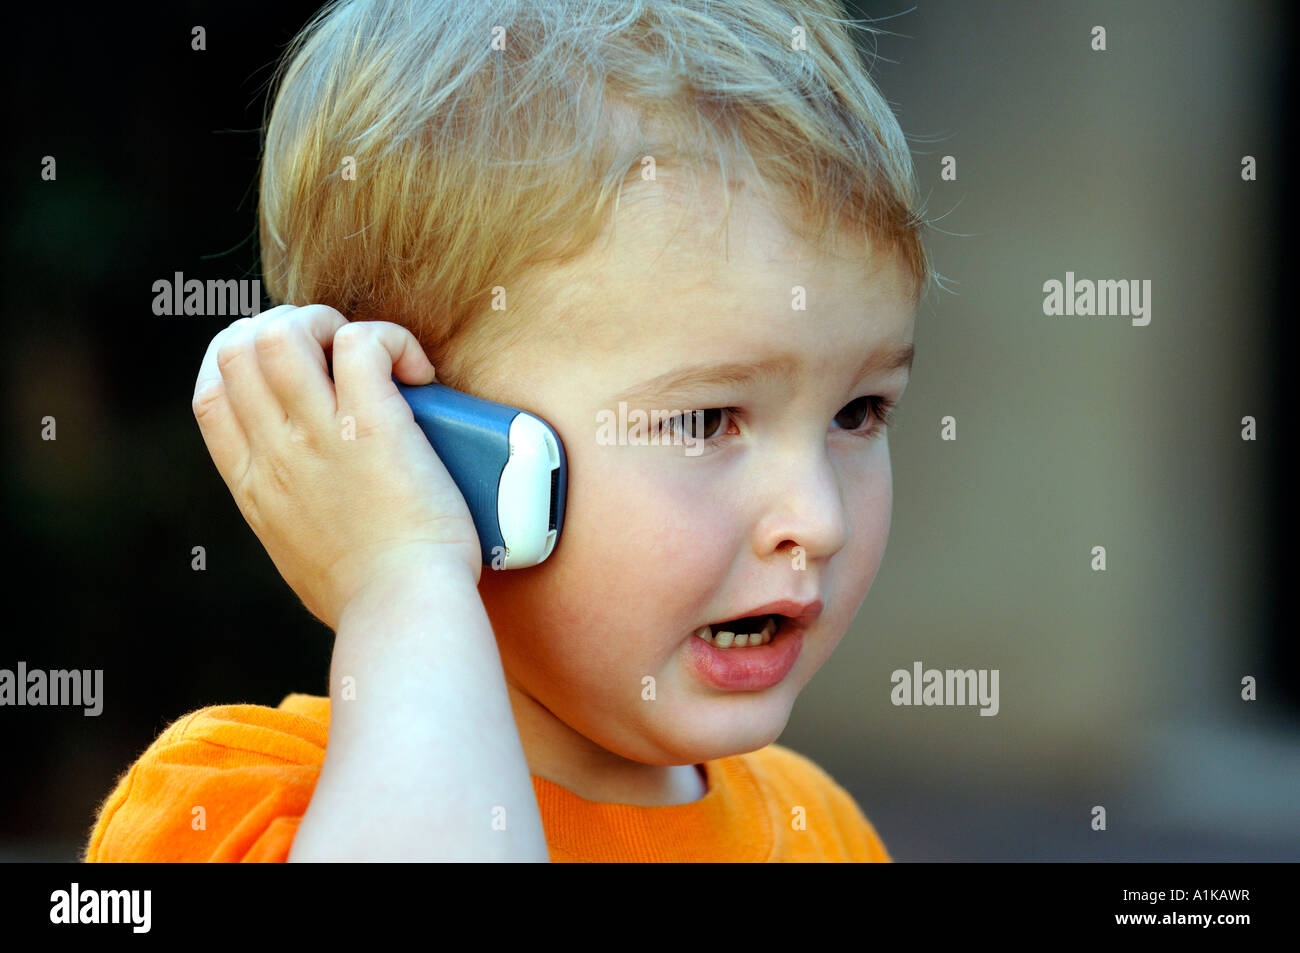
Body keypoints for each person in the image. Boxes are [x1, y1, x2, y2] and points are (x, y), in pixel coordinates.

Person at [85, 0, 933, 862]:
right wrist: (403, 575)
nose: (818, 520)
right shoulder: (230, 807)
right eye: (708, 419)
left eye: (858, 412)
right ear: (423, 439)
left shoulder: (820, 830)